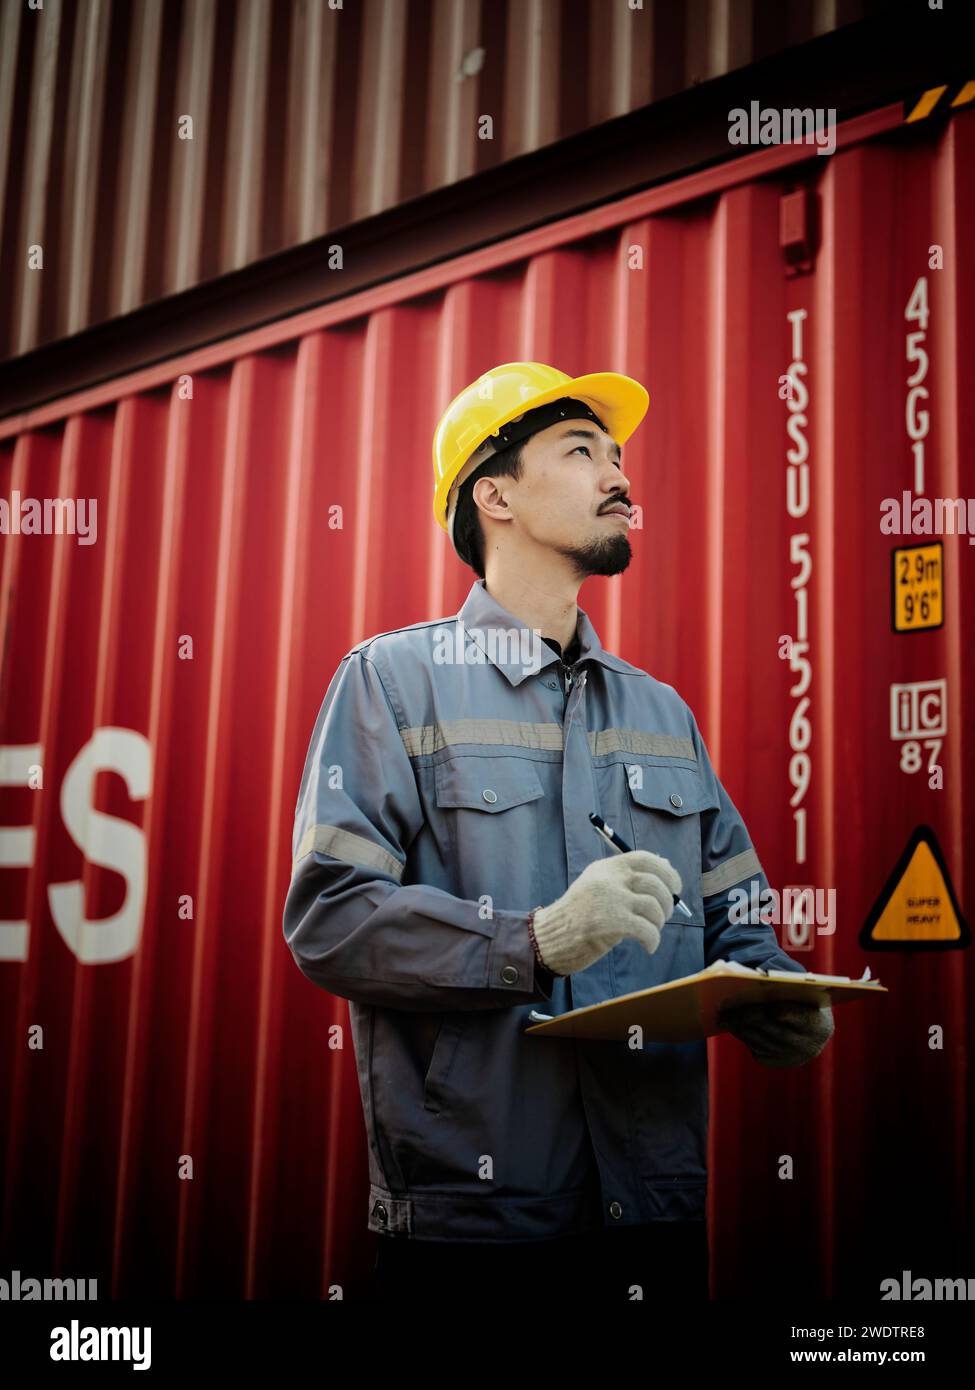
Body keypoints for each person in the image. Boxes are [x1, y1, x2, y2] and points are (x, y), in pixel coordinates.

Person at [282, 361, 834, 1304]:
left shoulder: (660, 712)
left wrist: (775, 993)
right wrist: (529, 942)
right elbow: (330, 922)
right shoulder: (391, 682)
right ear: (491, 493)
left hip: (651, 1212)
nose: (618, 476)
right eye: (582, 452)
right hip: (477, 1229)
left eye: (617, 456)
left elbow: (733, 916)